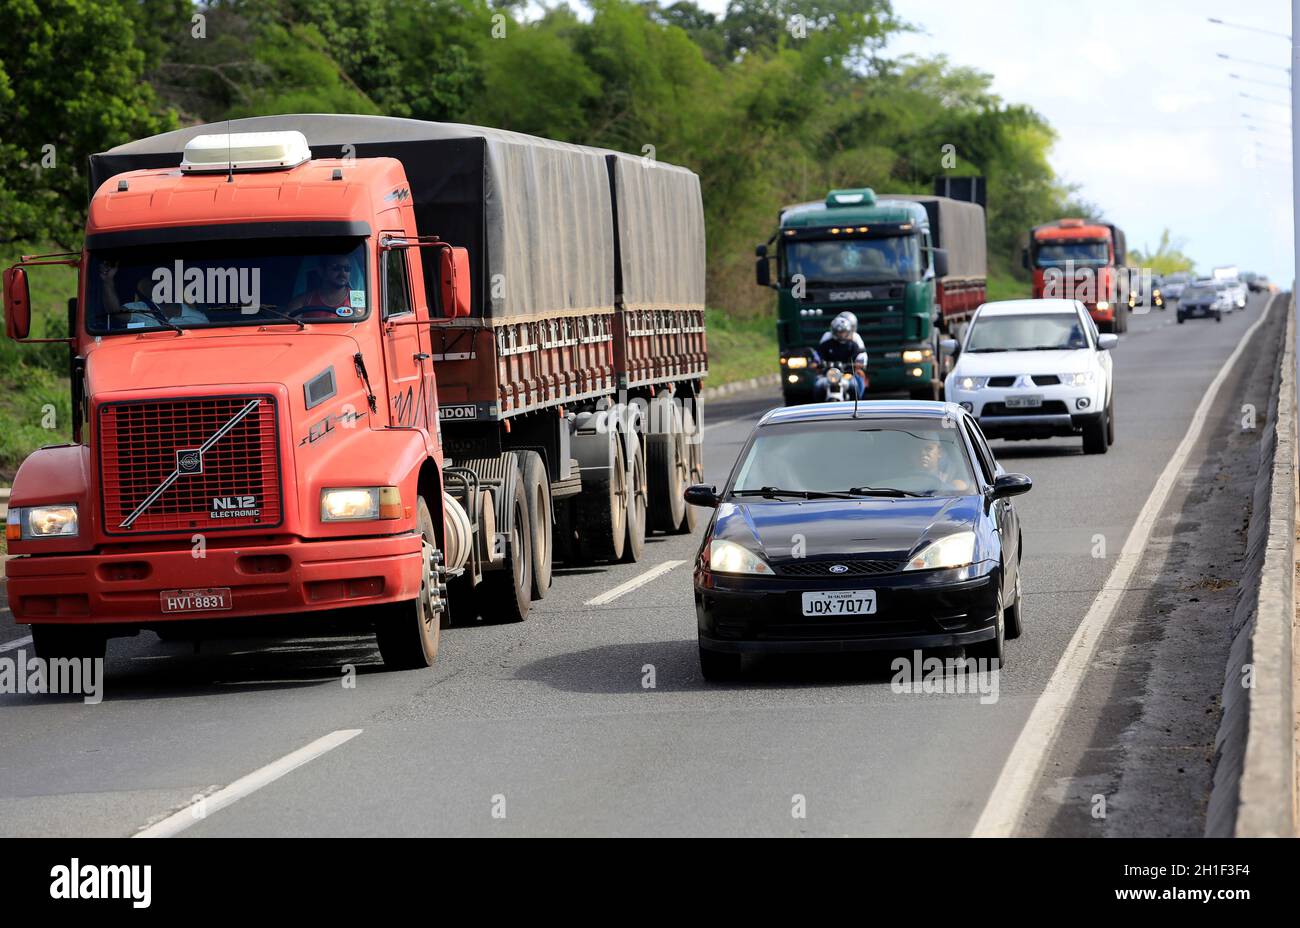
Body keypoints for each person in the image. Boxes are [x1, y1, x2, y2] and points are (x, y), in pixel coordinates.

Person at [98, 261, 208, 329]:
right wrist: (108, 280)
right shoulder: (140, 309)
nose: (164, 287)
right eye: (159, 282)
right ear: (152, 286)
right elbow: (115, 312)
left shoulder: (199, 319)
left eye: (168, 282)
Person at [813, 315, 867, 401]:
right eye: (839, 332)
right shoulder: (826, 344)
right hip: (828, 375)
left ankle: (857, 408)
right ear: (834, 332)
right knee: (818, 386)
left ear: (848, 331)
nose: (841, 334)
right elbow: (817, 356)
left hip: (847, 375)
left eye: (843, 332)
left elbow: (859, 358)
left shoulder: (852, 345)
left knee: (854, 386)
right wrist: (815, 363)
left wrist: (857, 365)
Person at [289, 255, 355, 314]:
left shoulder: (357, 299)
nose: (343, 273)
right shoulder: (304, 301)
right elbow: (289, 322)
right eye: (336, 268)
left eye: (347, 268)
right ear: (321, 271)